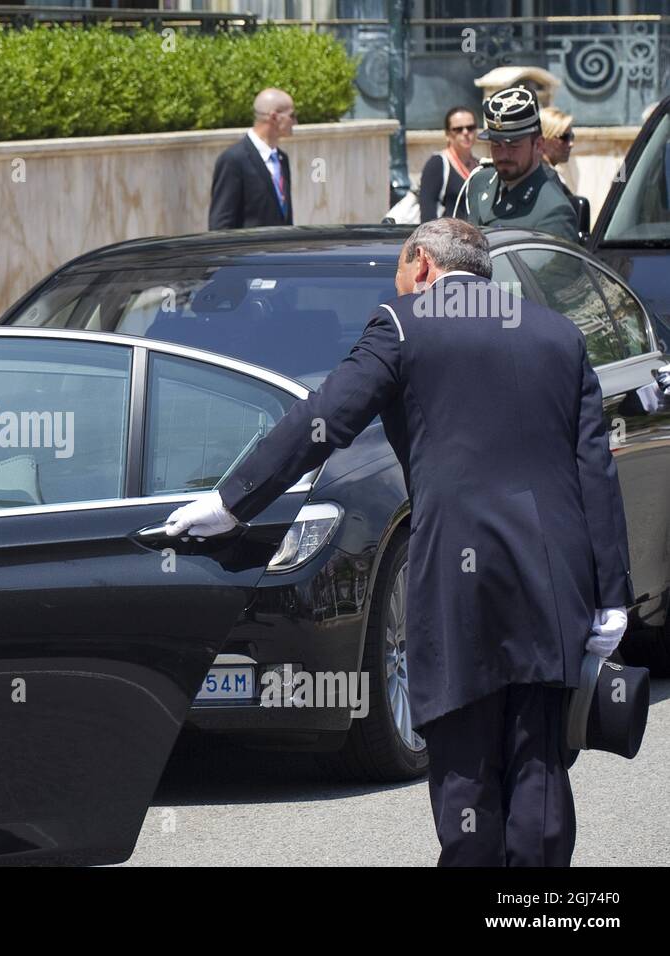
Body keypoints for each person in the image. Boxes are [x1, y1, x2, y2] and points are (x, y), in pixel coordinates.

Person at [164, 218, 633, 866]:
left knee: (466, 770)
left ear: (420, 263)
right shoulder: (557, 334)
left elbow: (323, 420)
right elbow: (595, 472)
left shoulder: (405, 323)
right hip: (552, 579)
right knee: (540, 770)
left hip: (458, 576)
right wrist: (613, 596)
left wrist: (231, 500)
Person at [458, 87, 579, 241]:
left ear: (538, 145)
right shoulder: (480, 182)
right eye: (496, 144)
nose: (503, 154)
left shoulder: (554, 211)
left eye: (513, 145)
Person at [208, 88, 295, 230]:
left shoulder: (282, 158)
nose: (295, 122)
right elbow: (221, 224)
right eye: (292, 115)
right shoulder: (233, 160)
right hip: (250, 251)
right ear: (274, 117)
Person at [419, 107, 478, 222]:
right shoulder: (437, 164)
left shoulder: (479, 165)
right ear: (447, 134)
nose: (465, 132)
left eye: (470, 128)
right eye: (458, 129)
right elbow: (427, 214)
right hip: (447, 237)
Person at [540, 106, 590, 241]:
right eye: (564, 137)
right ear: (543, 140)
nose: (571, 144)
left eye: (572, 137)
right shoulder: (544, 178)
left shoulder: (549, 174)